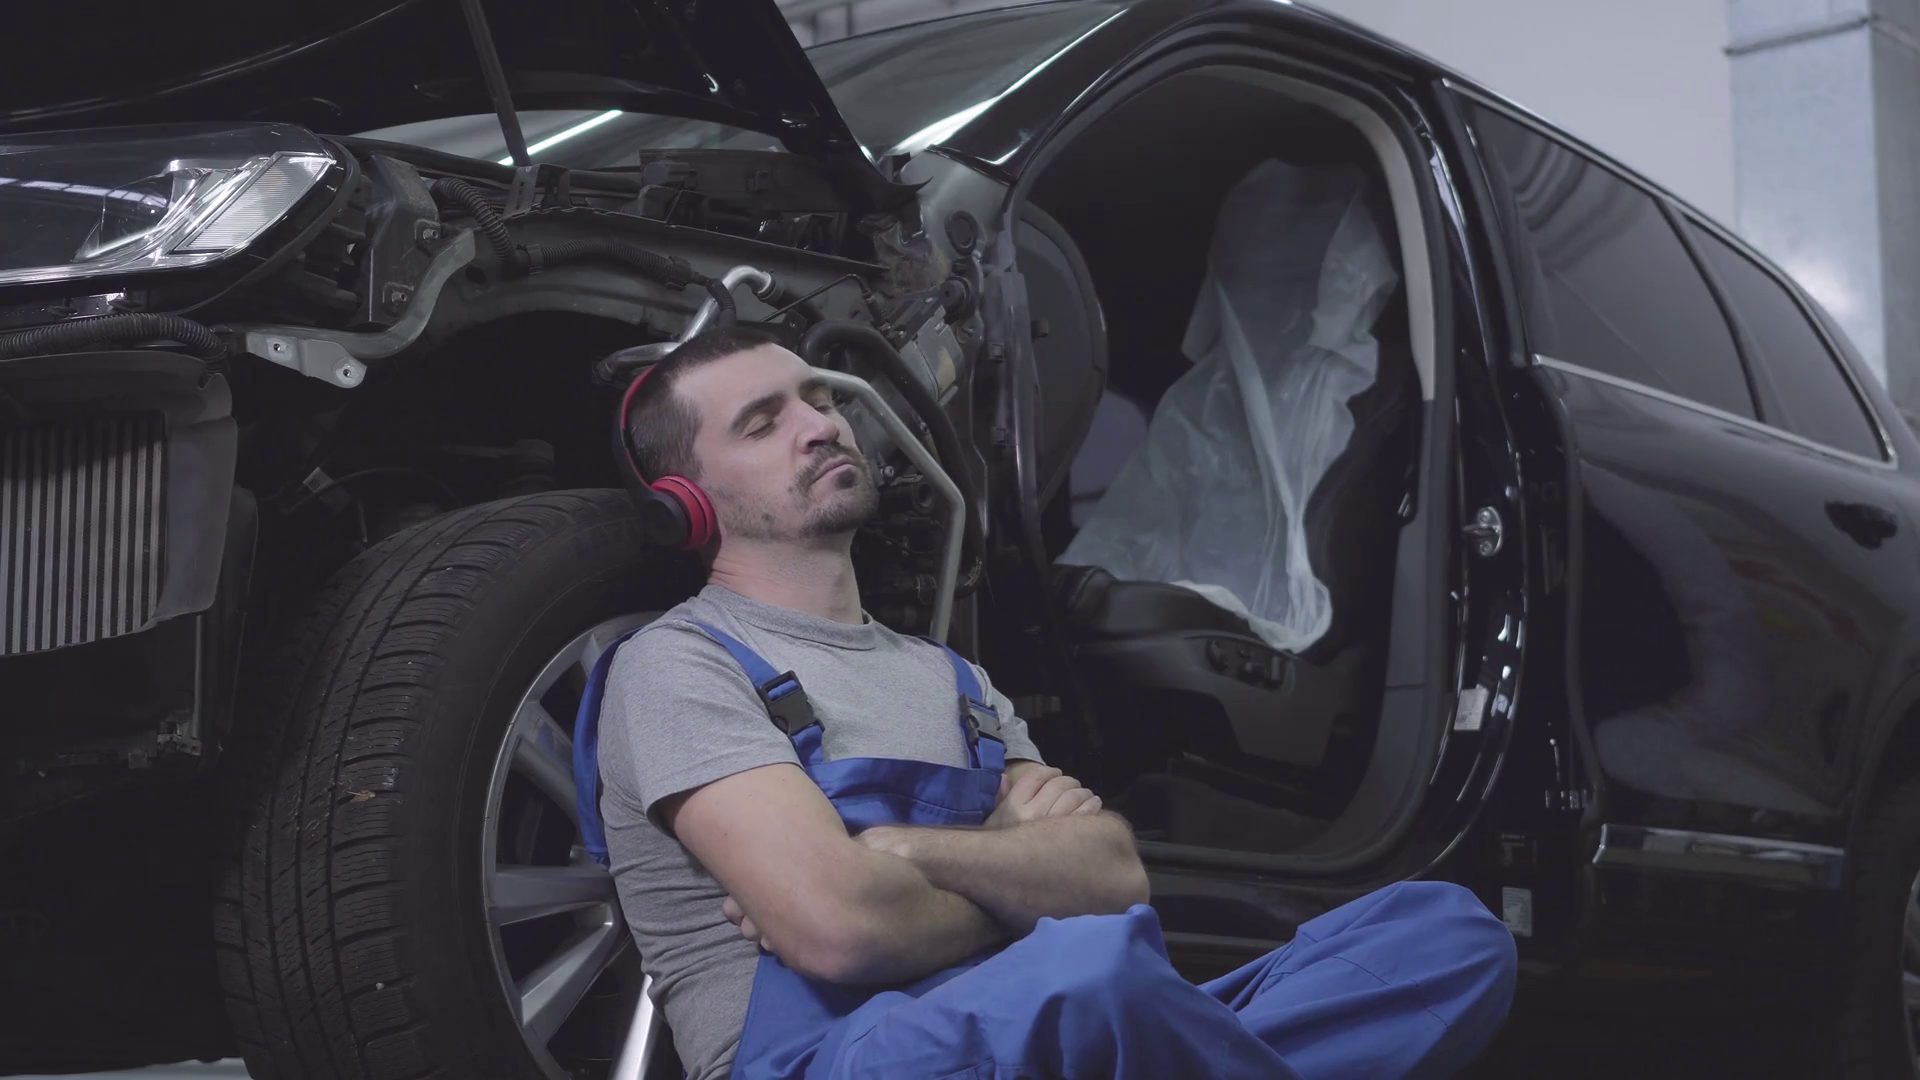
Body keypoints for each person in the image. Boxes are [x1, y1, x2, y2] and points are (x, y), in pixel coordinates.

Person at [582, 324, 1518, 1080]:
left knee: (1445, 932)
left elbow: (1115, 876)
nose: (821, 424)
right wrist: (1019, 871)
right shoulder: (681, 665)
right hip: (837, 1057)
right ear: (687, 503)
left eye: (820, 397)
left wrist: (901, 851)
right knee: (1094, 974)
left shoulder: (952, 679)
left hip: (1065, 1034)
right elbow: (842, 929)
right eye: (762, 422)